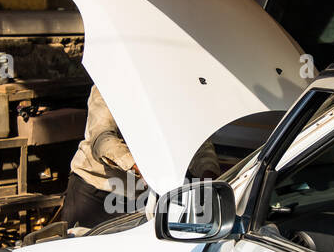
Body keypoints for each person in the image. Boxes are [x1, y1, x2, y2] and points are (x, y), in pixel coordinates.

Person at [61, 85, 219, 230]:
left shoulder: (173, 90)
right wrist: (138, 166)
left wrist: (209, 175)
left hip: (142, 195)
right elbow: (102, 138)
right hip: (95, 191)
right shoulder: (109, 83)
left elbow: (195, 140)